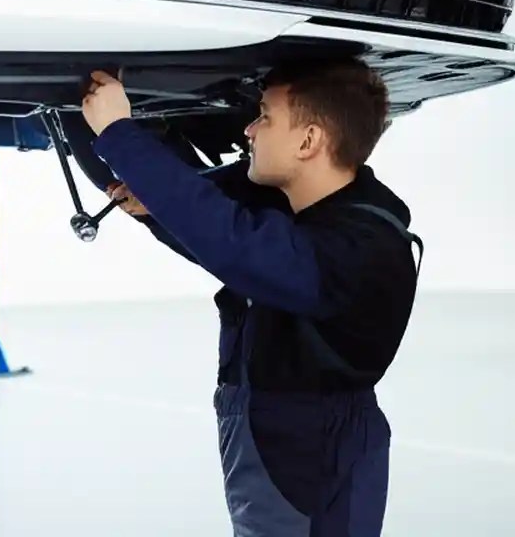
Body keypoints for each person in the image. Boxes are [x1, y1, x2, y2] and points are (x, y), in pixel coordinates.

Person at [80, 59, 423, 537]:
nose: (249, 129)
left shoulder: (354, 251)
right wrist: (151, 199)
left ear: (308, 142)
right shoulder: (329, 209)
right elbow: (216, 222)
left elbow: (232, 240)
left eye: (264, 115)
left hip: (302, 449)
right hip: (292, 432)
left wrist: (119, 132)